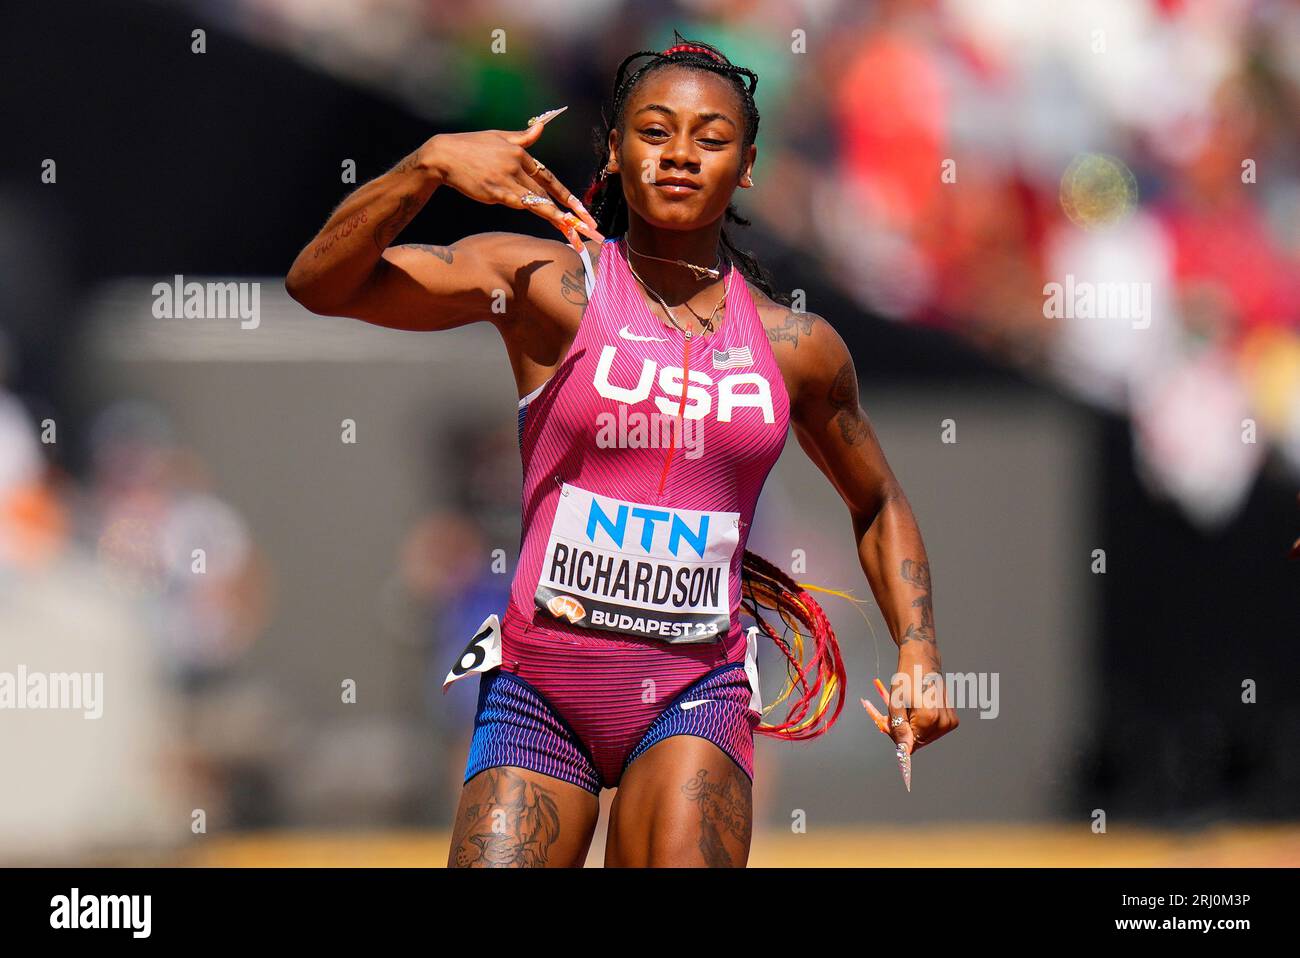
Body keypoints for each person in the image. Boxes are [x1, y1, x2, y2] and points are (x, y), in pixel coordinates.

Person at [286, 32, 957, 868]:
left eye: (711, 139)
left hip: (692, 697)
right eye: (653, 131)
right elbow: (321, 284)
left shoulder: (796, 348)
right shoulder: (544, 288)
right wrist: (426, 164)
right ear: (614, 149)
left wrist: (920, 651)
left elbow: (878, 500)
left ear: (746, 166)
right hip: (540, 693)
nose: (680, 154)